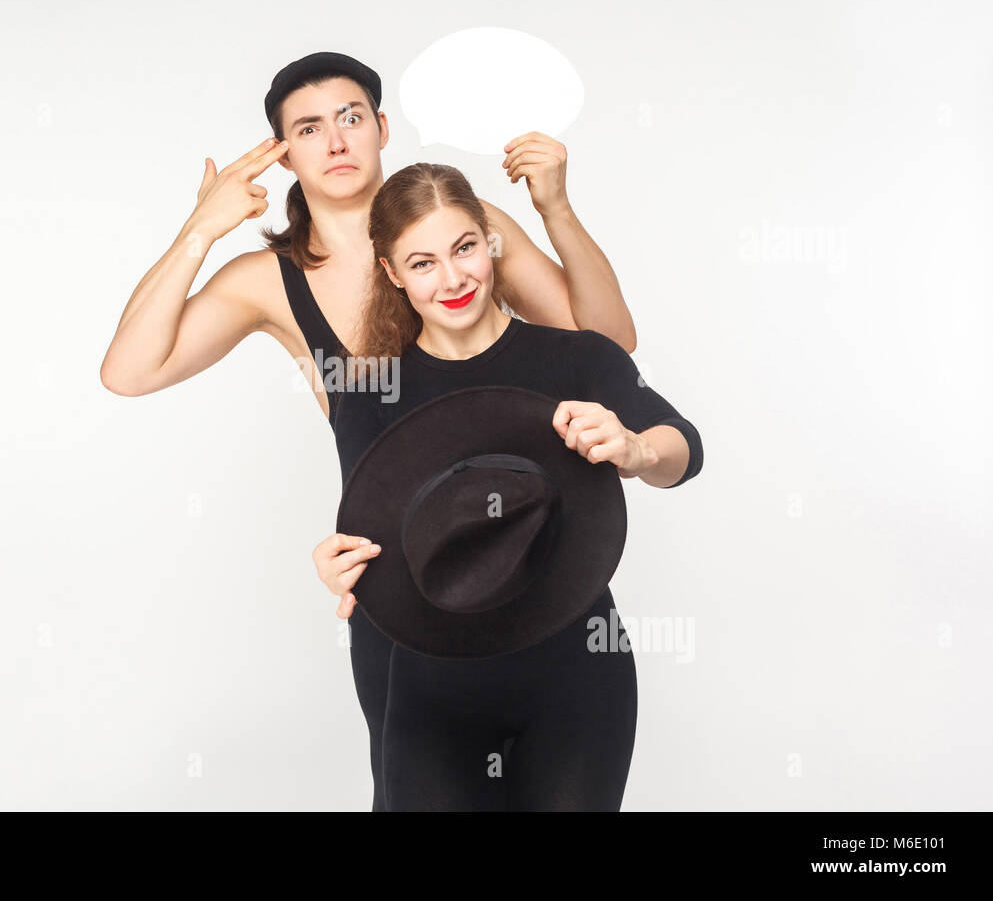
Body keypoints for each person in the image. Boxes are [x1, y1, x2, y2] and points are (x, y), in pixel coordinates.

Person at [100, 52, 640, 811]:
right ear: (284, 153)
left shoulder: (465, 231)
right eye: (309, 128)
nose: (337, 140)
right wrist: (202, 228)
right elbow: (128, 370)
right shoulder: (271, 282)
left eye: (352, 117)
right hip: (405, 597)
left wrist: (555, 209)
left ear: (383, 126)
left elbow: (607, 347)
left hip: (536, 574)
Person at [316, 163, 703, 810]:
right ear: (390, 272)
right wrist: (339, 565)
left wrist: (635, 448)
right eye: (423, 263)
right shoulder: (371, 391)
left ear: (489, 244)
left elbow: (684, 447)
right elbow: (371, 528)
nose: (453, 278)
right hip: (432, 694)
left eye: (465, 248)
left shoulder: (575, 358)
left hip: (575, 683)